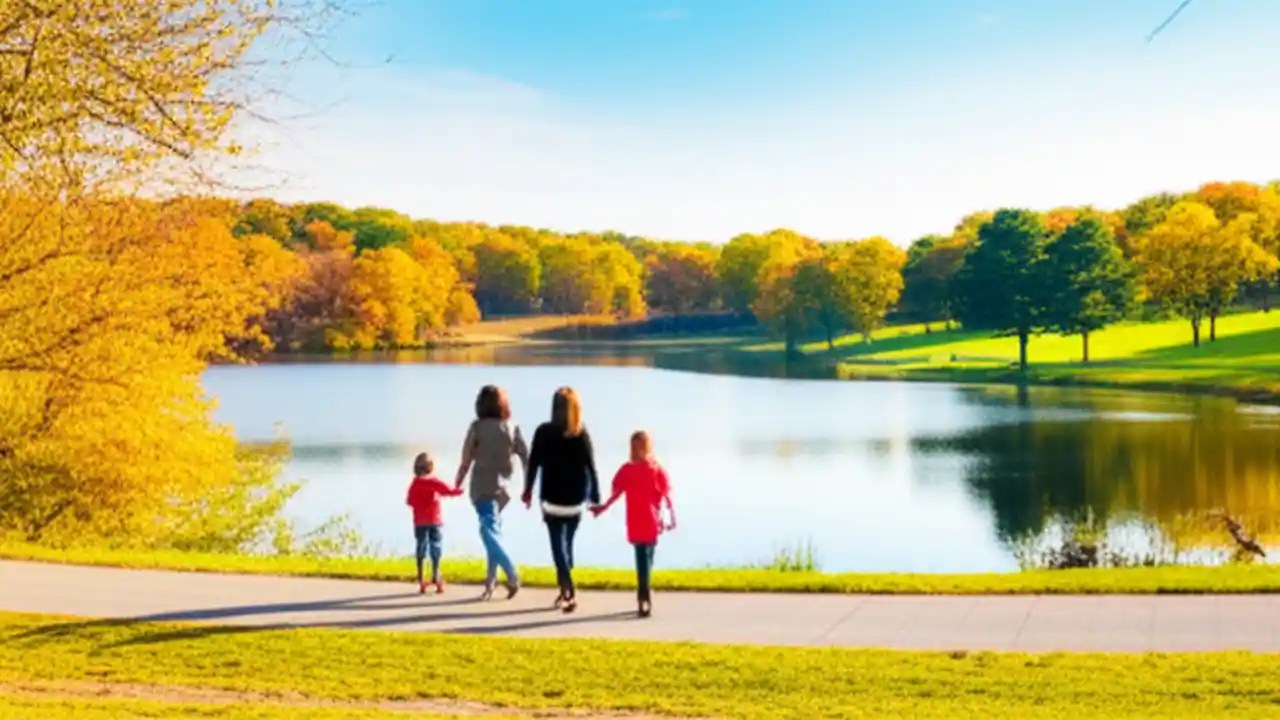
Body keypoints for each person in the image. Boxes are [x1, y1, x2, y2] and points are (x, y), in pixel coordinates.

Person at [523, 386, 599, 613]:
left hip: (552, 497)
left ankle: (567, 587)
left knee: (558, 545)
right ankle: (564, 587)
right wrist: (595, 496)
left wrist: (527, 490)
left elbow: (533, 463)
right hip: (576, 499)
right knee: (566, 545)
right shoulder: (581, 434)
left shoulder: (543, 432)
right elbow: (591, 466)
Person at [455, 385, 528, 601]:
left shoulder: (476, 427)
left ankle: (512, 574)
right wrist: (528, 485)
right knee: (493, 532)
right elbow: (526, 456)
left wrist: (458, 480)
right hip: (504, 489)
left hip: (482, 488)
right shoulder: (512, 427)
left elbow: (466, 458)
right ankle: (490, 583)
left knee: (487, 533)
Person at [592, 431, 676, 618]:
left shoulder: (635, 470)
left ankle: (644, 593)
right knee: (645, 559)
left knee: (644, 560)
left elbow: (616, 492)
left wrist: (603, 507)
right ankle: (644, 595)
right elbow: (666, 493)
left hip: (643, 521)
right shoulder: (651, 469)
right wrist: (603, 507)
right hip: (647, 521)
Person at [406, 452, 463, 594]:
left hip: (419, 522)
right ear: (431, 467)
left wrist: (420, 504)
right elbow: (449, 491)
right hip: (434, 521)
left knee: (421, 546)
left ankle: (421, 578)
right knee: (435, 547)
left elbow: (409, 501)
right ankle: (436, 576)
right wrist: (460, 489)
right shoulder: (433, 482)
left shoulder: (415, 483)